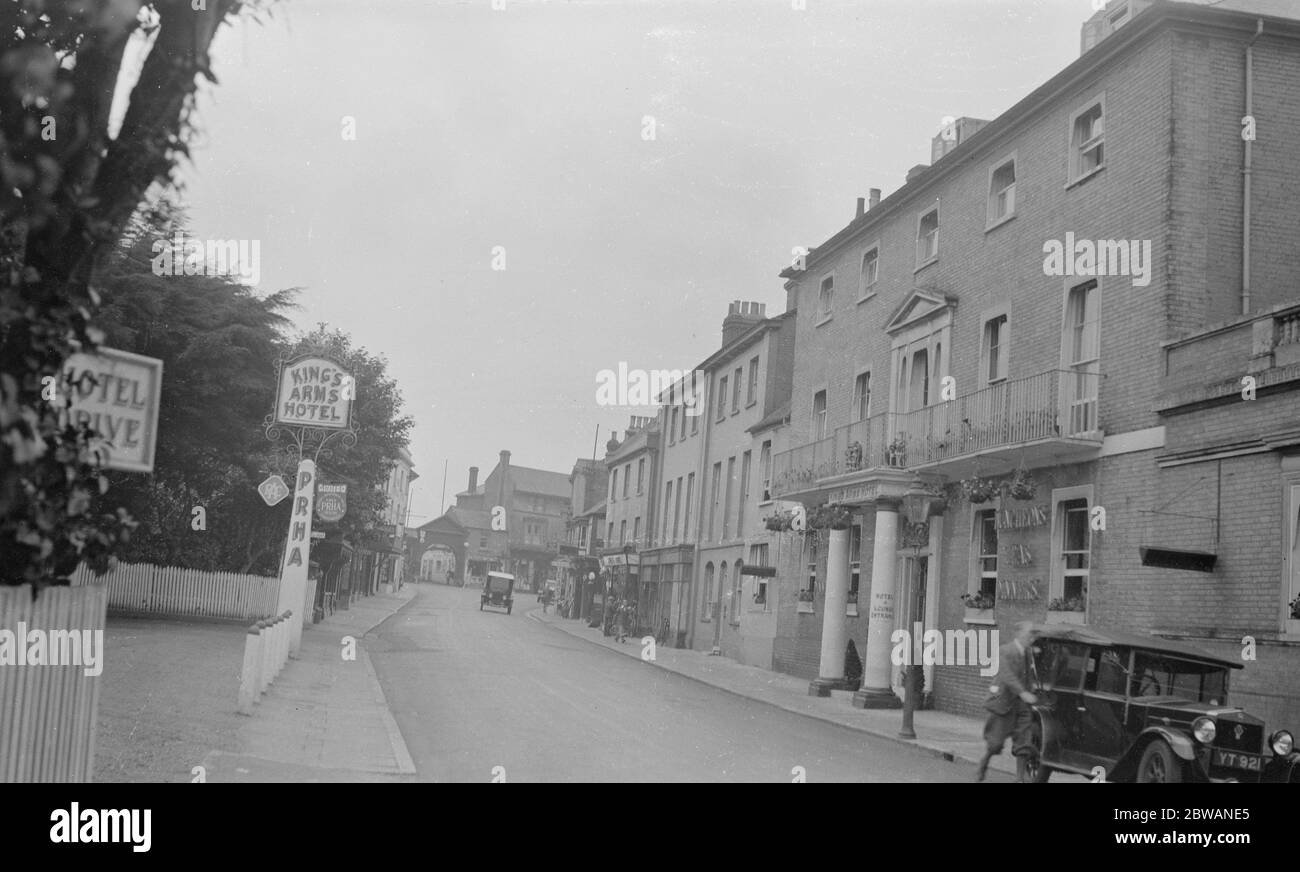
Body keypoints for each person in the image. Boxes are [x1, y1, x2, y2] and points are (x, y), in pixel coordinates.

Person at [976, 621, 1038, 782]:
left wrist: (1030, 693)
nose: (1031, 638)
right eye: (1028, 634)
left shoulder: (1028, 653)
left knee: (1024, 740)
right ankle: (984, 762)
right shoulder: (1005, 650)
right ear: (1019, 634)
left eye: (1032, 634)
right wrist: (1023, 692)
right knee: (995, 743)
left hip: (1022, 705)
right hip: (1004, 702)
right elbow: (1007, 675)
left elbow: (1029, 676)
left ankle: (1019, 779)